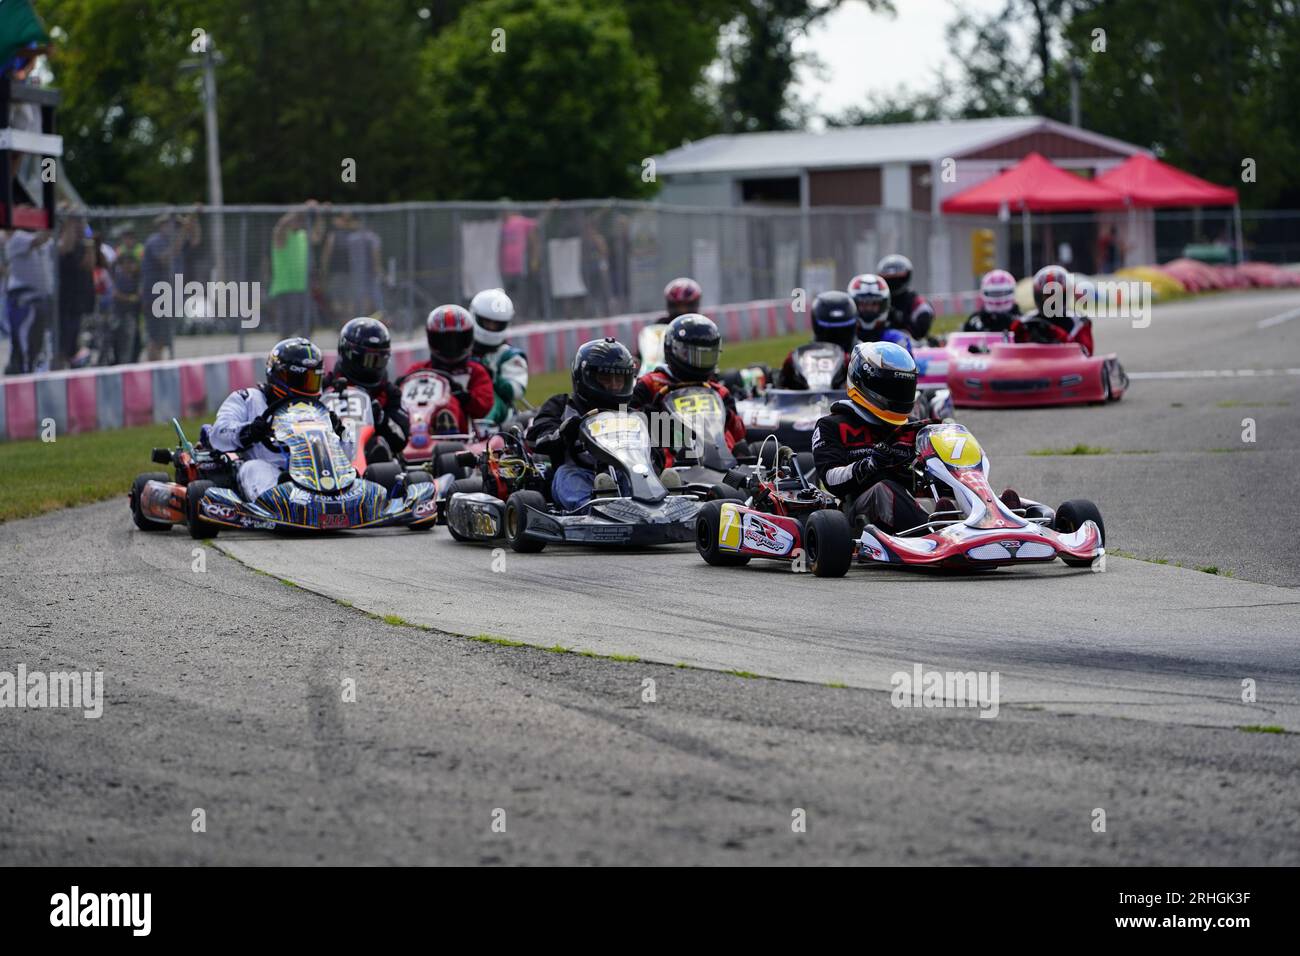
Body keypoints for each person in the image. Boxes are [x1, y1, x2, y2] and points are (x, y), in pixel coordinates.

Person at [811, 341, 933, 535]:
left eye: (903, 388)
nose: (898, 395)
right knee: (883, 490)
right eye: (892, 388)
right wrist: (868, 465)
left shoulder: (915, 428)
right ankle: (937, 536)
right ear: (863, 382)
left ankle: (985, 521)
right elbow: (829, 479)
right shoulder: (832, 425)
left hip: (916, 503)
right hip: (858, 514)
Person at [210, 338, 329, 502]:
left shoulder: (319, 409)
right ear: (280, 375)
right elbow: (218, 433)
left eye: (312, 381)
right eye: (302, 380)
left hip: (312, 472)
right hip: (268, 471)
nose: (307, 388)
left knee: (351, 472)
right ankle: (280, 503)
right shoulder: (247, 399)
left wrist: (338, 432)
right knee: (254, 468)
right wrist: (249, 431)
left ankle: (330, 500)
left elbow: (346, 455)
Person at [527, 337, 637, 512]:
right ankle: (595, 508)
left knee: (646, 473)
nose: (615, 386)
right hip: (581, 474)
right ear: (585, 377)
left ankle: (661, 500)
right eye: (606, 378)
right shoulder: (561, 406)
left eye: (620, 379)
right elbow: (535, 440)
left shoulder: (631, 413)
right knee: (566, 475)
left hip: (625, 474)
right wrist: (564, 433)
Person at [633, 313, 747, 463]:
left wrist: (729, 416)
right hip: (670, 459)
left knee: (744, 449)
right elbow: (628, 423)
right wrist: (647, 417)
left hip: (717, 454)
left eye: (706, 357)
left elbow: (739, 433)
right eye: (693, 356)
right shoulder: (651, 384)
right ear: (673, 350)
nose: (699, 364)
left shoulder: (719, 391)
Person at [323, 316, 409, 460]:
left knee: (378, 445)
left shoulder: (389, 393)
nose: (374, 367)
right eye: (370, 360)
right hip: (329, 456)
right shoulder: (325, 387)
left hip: (375, 468)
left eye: (379, 360)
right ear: (349, 355)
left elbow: (401, 441)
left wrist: (381, 418)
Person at [402, 304, 494, 432]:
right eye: (444, 341)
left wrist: (465, 397)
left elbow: (484, 405)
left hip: (462, 433)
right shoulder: (419, 370)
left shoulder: (475, 371)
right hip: (418, 422)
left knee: (448, 403)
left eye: (457, 340)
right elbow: (400, 396)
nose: (451, 346)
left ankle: (446, 424)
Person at [469, 288, 528, 424]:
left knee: (489, 398)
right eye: (487, 322)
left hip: (500, 412)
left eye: (496, 324)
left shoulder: (510, 356)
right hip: (465, 398)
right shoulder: (462, 352)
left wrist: (492, 376)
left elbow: (516, 391)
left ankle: (482, 433)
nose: (491, 327)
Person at [777, 290, 855, 389]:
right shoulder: (798, 358)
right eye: (830, 331)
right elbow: (779, 386)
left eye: (843, 330)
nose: (837, 335)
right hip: (802, 400)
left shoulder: (858, 359)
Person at [1011, 264, 1094, 356]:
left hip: (1065, 367)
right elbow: (1009, 349)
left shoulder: (1079, 322)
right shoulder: (1024, 322)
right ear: (1037, 296)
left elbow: (1086, 354)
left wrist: (1056, 334)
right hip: (1030, 365)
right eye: (1046, 296)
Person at [4, 227, 54, 374]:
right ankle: (23, 378)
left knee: (37, 347)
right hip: (24, 302)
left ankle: (26, 375)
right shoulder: (17, 238)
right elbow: (40, 239)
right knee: (25, 348)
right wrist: (51, 219)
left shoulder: (36, 239)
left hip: (39, 300)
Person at [848, 273, 913, 351]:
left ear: (883, 305)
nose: (868, 309)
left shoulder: (896, 339)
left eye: (874, 304)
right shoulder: (845, 338)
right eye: (863, 304)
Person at [876, 254, 935, 340]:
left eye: (896, 279)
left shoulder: (916, 301)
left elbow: (921, 331)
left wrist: (900, 319)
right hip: (878, 342)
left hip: (911, 343)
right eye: (889, 279)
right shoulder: (877, 300)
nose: (893, 283)